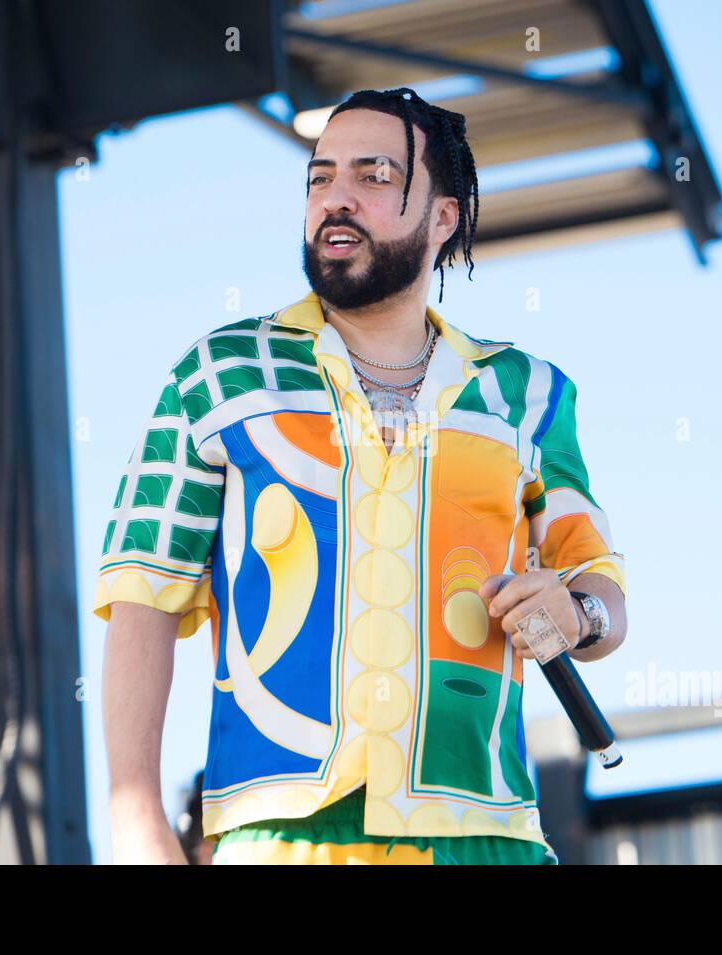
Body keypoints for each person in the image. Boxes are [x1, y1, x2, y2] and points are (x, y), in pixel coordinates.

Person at [97, 87, 628, 865]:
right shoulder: (216, 374)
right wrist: (139, 828)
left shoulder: (529, 392)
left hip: (486, 837)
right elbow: (142, 594)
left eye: (374, 175)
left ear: (443, 218)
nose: (336, 198)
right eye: (319, 177)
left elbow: (605, 595)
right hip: (280, 839)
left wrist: (576, 611)